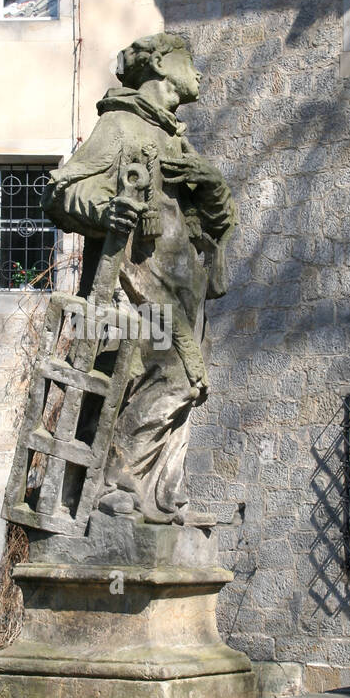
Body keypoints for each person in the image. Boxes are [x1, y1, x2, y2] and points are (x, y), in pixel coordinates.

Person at [41, 32, 235, 525]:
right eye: (191, 62)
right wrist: (112, 209)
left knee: (181, 388)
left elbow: (216, 225)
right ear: (164, 66)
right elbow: (63, 192)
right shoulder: (122, 124)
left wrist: (210, 184)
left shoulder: (175, 138)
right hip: (135, 291)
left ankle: (159, 498)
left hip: (183, 293)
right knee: (174, 378)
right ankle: (114, 484)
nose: (201, 74)